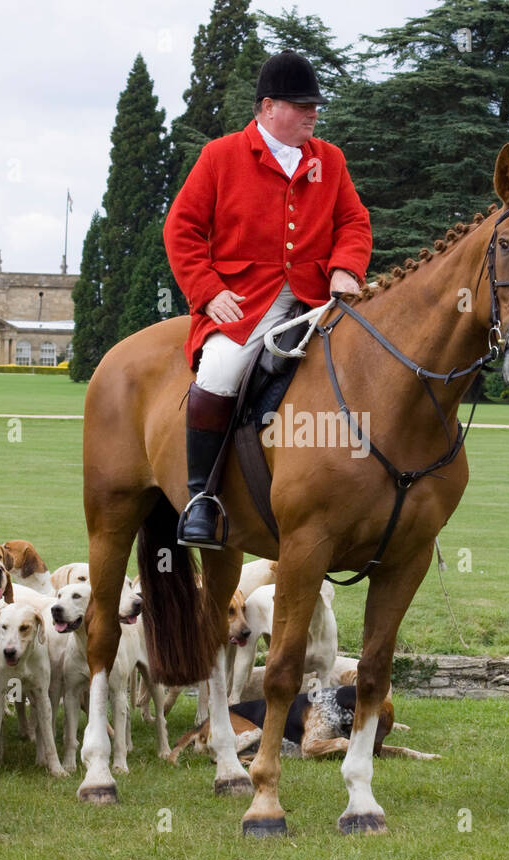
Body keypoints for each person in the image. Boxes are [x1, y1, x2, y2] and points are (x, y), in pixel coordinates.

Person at [163, 50, 372, 549]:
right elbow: (182, 228)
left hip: (321, 296)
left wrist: (346, 268)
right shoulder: (221, 156)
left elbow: (354, 223)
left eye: (315, 105)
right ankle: (202, 499)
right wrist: (209, 293)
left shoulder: (330, 159)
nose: (312, 113)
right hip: (247, 301)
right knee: (219, 370)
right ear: (267, 106)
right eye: (301, 105)